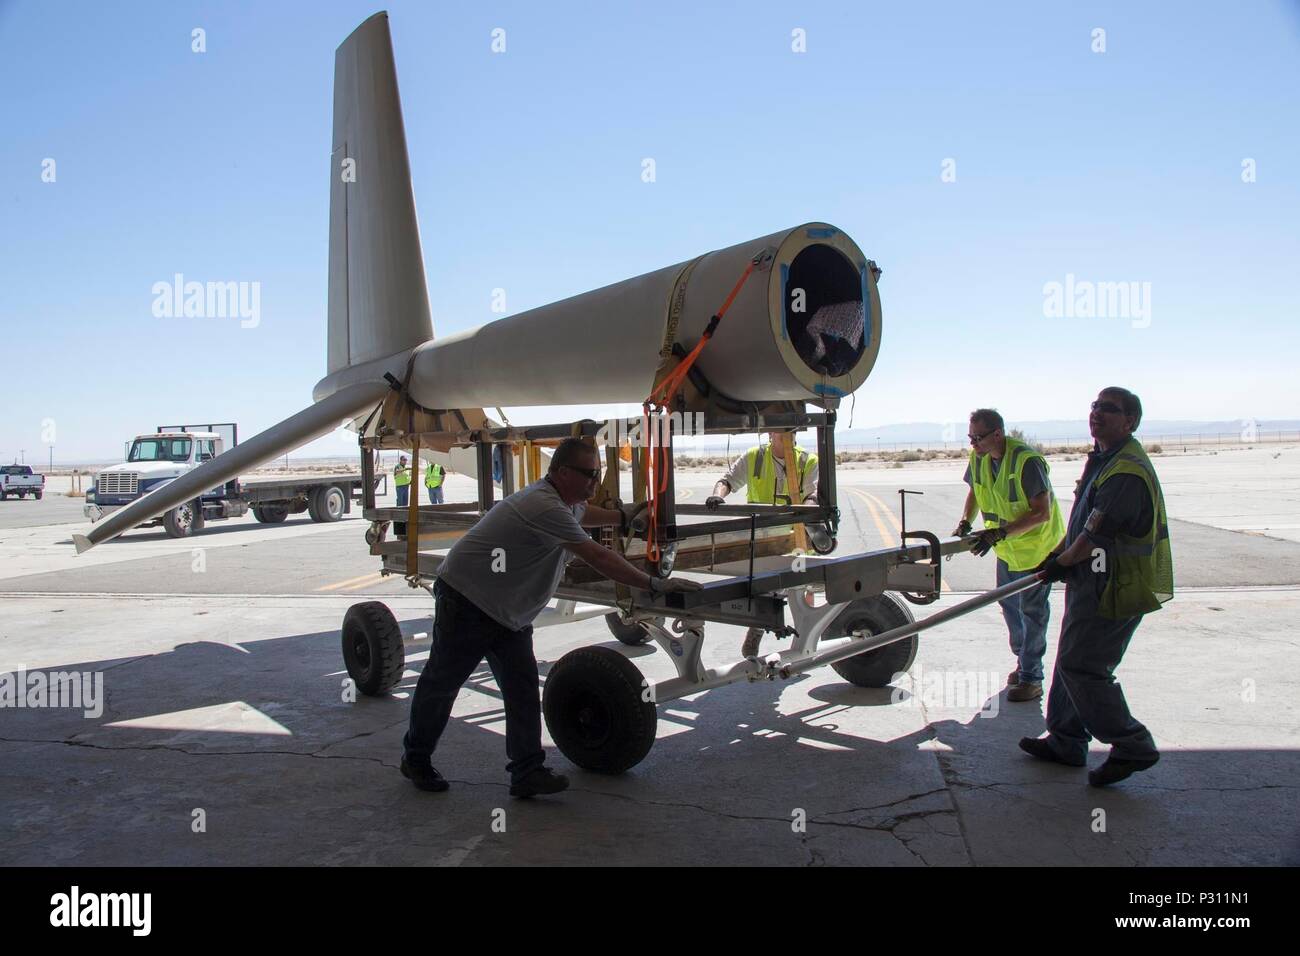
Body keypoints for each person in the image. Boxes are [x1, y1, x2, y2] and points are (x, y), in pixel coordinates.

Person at [402, 438, 702, 798]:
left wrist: (623, 517)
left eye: (598, 474)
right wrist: (655, 584)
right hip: (469, 599)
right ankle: (416, 758)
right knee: (443, 683)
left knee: (522, 689)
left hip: (507, 611)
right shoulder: (544, 506)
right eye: (589, 475)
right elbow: (598, 557)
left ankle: (527, 772)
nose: (595, 482)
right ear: (561, 472)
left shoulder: (563, 501)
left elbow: (584, 513)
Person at [1020, 387, 1173, 787]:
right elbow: (1080, 524)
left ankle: (1132, 743)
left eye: (1109, 409)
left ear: (1130, 422)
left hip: (1114, 586)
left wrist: (1063, 562)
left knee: (1083, 666)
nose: (1097, 414)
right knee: (1071, 659)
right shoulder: (1105, 460)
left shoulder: (1126, 471)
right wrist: (1059, 555)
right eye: (1094, 406)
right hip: (1091, 580)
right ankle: (1066, 740)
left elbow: (1096, 533)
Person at [954, 409, 1064, 702]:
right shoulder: (978, 458)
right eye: (970, 437)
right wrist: (966, 520)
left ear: (997, 434)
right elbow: (977, 491)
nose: (973, 443)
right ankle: (1024, 662)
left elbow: (1042, 513)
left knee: (1032, 613)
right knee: (1010, 608)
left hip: (1036, 551)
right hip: (1007, 551)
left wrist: (1000, 533)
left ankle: (1032, 678)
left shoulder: (1026, 462)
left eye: (978, 437)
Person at [705, 431, 827, 657]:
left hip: (796, 535)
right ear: (771, 433)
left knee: (804, 588)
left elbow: (813, 492)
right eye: (783, 431)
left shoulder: (807, 461)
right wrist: (717, 495)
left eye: (792, 431)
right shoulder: (755, 457)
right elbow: (727, 481)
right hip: (764, 538)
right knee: (767, 587)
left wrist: (807, 508)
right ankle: (757, 628)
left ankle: (807, 640)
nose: (789, 435)